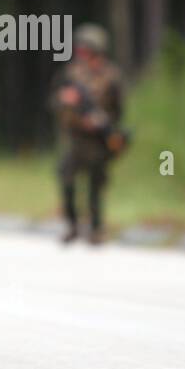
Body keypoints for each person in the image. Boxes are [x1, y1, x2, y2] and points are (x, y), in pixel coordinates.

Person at [50, 23, 125, 245]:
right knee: (65, 176)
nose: (80, 52)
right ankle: (72, 224)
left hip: (98, 140)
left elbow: (118, 109)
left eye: (85, 48)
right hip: (76, 138)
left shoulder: (111, 76)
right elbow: (55, 100)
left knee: (96, 184)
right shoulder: (72, 73)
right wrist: (65, 100)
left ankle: (96, 229)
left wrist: (102, 122)